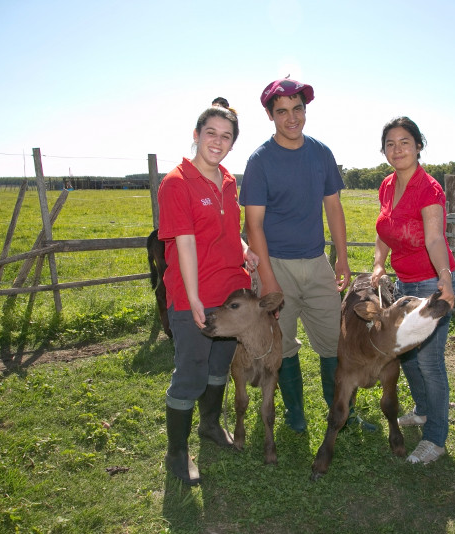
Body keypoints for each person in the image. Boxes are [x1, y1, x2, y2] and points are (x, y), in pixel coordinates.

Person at [241, 77, 368, 433]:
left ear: (305, 111)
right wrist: (266, 279)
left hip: (316, 263)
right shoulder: (260, 162)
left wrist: (340, 257)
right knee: (282, 344)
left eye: (298, 109)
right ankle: (295, 413)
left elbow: (334, 208)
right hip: (275, 265)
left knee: (334, 342)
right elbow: (254, 225)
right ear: (270, 115)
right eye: (282, 111)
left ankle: (342, 410)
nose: (291, 117)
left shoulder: (321, 153)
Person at [157, 99, 259, 486]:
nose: (218, 142)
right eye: (211, 133)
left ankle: (210, 426)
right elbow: (184, 242)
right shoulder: (176, 183)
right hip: (192, 298)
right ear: (196, 135)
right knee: (192, 373)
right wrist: (195, 298)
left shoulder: (229, 181)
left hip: (228, 293)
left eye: (226, 136)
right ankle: (177, 454)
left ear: (233, 144)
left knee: (218, 367)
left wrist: (245, 249)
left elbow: (228, 229)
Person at [371, 116, 455, 465]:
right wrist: (379, 262)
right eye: (390, 143)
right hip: (403, 282)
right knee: (407, 355)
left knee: (429, 362)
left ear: (419, 146)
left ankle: (435, 439)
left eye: (405, 141)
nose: (397, 149)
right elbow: (383, 230)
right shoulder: (387, 185)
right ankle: (422, 411)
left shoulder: (429, 188)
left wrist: (445, 277)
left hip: (430, 283)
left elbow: (435, 237)